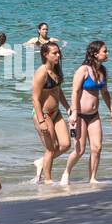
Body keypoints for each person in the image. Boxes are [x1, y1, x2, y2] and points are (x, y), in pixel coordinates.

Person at [64, 40, 112, 185]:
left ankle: (92, 178)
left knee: (97, 147)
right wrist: (73, 113)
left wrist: (111, 110)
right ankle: (66, 173)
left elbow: (105, 92)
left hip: (94, 116)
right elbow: (74, 92)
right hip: (78, 116)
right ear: (95, 54)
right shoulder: (83, 70)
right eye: (105, 51)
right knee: (79, 150)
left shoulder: (103, 71)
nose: (107, 53)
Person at [31, 42, 71, 183]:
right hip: (44, 114)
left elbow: (58, 91)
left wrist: (67, 107)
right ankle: (48, 181)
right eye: (54, 53)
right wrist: (41, 120)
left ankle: (41, 162)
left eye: (58, 52)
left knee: (66, 144)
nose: (58, 55)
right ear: (45, 55)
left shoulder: (57, 69)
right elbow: (35, 98)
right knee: (51, 148)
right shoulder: (41, 72)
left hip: (56, 113)